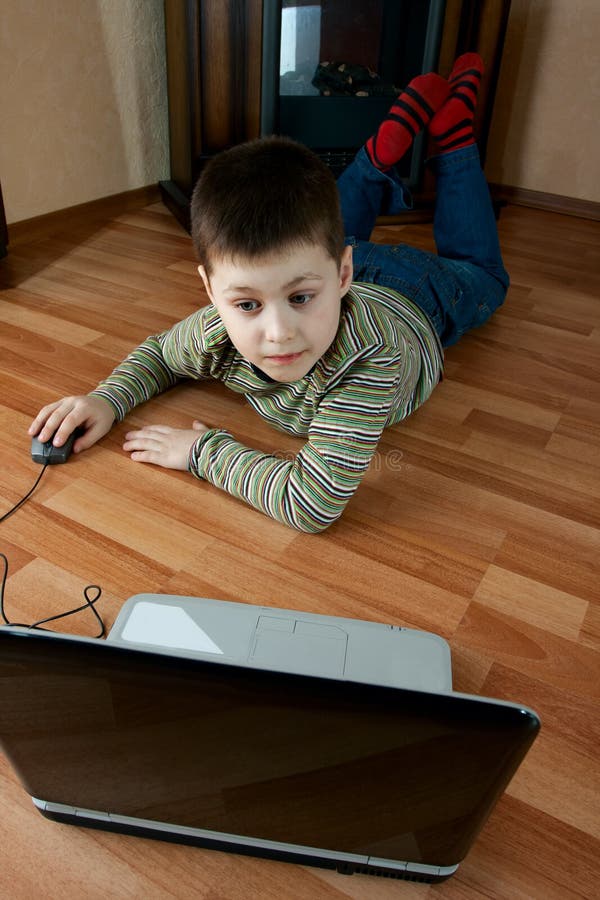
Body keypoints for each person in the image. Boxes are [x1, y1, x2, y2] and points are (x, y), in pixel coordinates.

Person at [29, 53, 509, 534]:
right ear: (210, 291)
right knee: (319, 232)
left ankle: (454, 137)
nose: (278, 333)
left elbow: (311, 505)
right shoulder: (220, 326)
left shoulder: (369, 357)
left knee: (483, 275)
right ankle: (375, 162)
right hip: (332, 263)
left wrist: (201, 452)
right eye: (247, 305)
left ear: (343, 275)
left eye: (298, 300)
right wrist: (106, 400)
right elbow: (160, 354)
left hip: (420, 294)